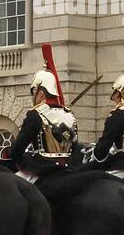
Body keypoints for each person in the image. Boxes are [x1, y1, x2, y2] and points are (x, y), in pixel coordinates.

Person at [9, 43, 78, 182]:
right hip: (67, 169)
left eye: (33, 91)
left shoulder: (35, 114)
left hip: (42, 169)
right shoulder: (68, 114)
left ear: (40, 93)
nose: (33, 95)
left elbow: (17, 149)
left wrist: (11, 153)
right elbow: (74, 145)